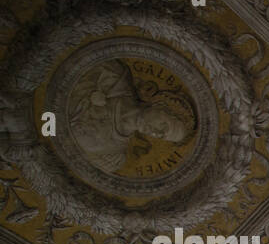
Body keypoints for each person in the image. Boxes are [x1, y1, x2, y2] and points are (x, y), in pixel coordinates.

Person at [67, 59, 197, 174]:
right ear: (161, 105)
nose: (156, 133)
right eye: (164, 126)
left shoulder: (113, 158)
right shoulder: (115, 76)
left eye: (162, 136)